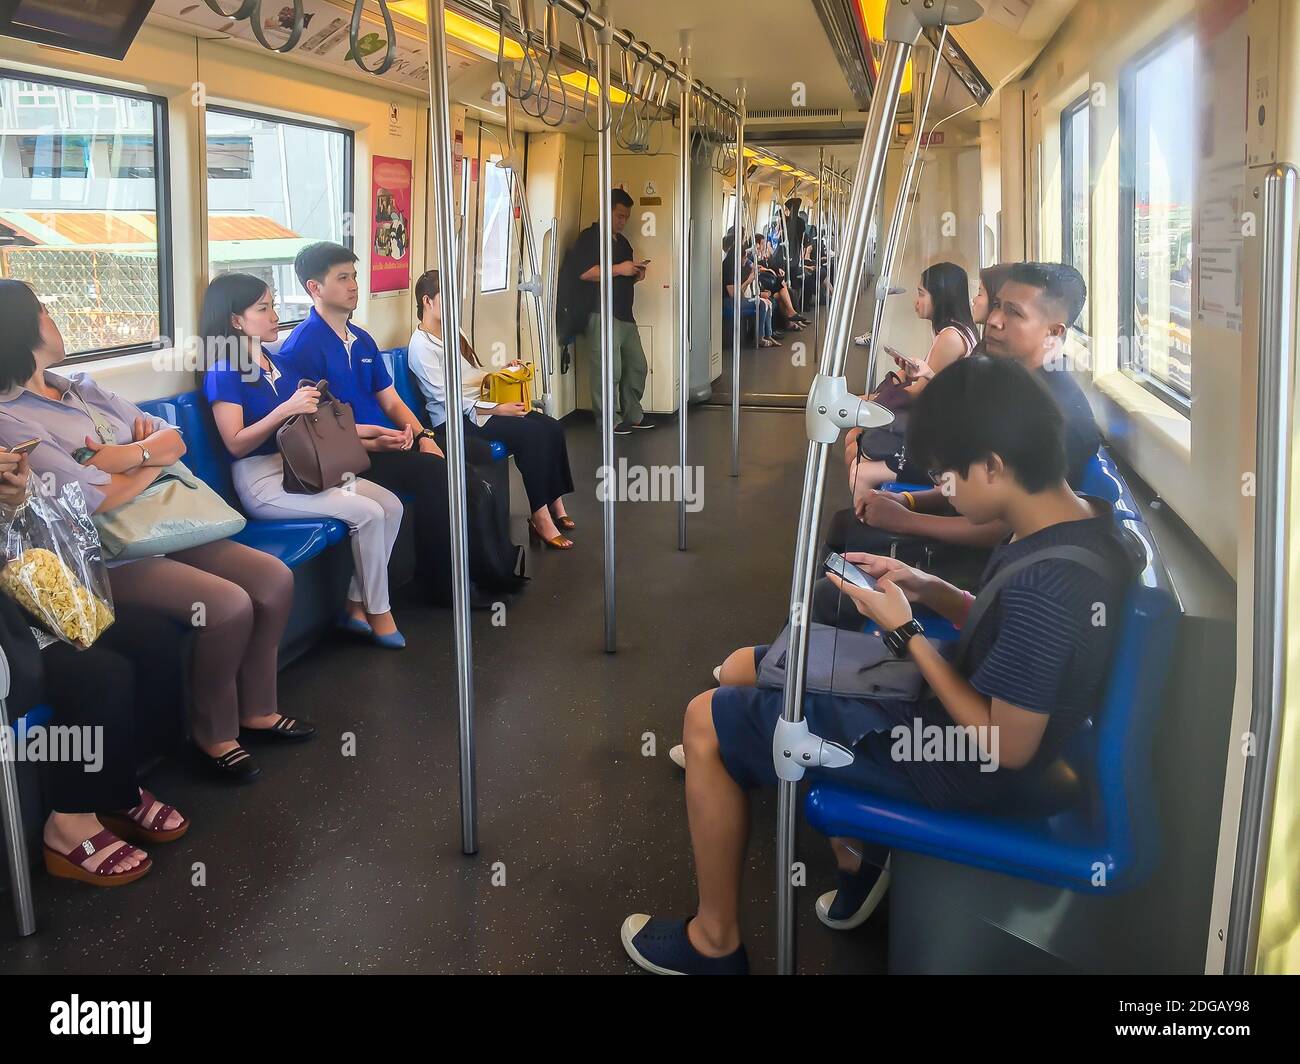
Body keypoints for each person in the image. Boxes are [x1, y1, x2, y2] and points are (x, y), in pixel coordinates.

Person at [622, 355, 1136, 974]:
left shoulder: (1051, 587)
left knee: (705, 719)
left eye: (949, 476)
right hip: (947, 705)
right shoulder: (1072, 524)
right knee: (745, 668)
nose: (943, 489)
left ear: (994, 466)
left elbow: (1008, 745)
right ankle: (857, 859)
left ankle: (714, 942)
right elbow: (1008, 635)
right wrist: (928, 587)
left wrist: (908, 632)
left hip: (952, 760)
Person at [0, 280, 308, 784]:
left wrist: (125, 460)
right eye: (43, 312)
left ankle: (259, 708)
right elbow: (91, 496)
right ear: (20, 330)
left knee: (272, 579)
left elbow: (173, 437)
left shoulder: (82, 387)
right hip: (105, 551)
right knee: (227, 605)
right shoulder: (11, 419)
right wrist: (148, 458)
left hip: (166, 520)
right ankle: (214, 733)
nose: (54, 319)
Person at [0, 455, 189, 886]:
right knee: (100, 673)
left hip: (22, 591)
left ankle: (117, 788)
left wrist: (13, 502)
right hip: (6, 632)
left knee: (154, 639)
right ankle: (68, 823)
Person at [834, 262, 1102, 559]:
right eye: (997, 305)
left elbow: (999, 528)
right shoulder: (1014, 382)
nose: (995, 320)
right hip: (972, 521)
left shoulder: (1058, 417)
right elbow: (974, 479)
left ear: (1053, 332)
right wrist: (908, 500)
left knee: (844, 541)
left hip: (995, 554)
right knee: (843, 528)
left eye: (1014, 312)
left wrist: (906, 518)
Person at [200, 272, 407, 648]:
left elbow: (317, 424)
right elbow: (235, 444)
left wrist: (373, 434)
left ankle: (356, 603)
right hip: (263, 481)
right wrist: (285, 409)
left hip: (304, 465)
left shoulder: (278, 364)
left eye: (273, 306)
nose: (275, 315)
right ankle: (379, 610)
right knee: (368, 513)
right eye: (263, 309)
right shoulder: (224, 372)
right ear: (235, 320)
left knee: (390, 505)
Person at [408, 269, 576, 550]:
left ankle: (554, 500)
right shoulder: (421, 347)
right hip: (455, 419)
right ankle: (539, 516)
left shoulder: (455, 331)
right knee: (531, 435)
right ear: (427, 301)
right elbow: (446, 398)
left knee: (551, 426)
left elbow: (472, 374)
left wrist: (502, 373)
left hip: (480, 407)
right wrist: (496, 409)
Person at [841, 262, 979, 496]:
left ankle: (868, 513)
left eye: (921, 294)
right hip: (936, 423)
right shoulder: (954, 331)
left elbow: (918, 394)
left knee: (855, 447)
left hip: (940, 441)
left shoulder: (950, 338)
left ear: (941, 296)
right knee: (855, 437)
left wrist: (865, 400)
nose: (916, 300)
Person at [572, 188, 653, 433]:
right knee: (609, 369)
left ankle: (633, 412)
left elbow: (623, 275)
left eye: (626, 217)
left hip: (625, 313)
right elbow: (585, 272)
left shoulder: (624, 242)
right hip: (601, 312)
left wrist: (636, 274)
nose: (622, 221)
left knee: (637, 365)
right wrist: (619, 269)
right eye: (619, 216)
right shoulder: (590, 237)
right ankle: (608, 419)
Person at [722, 234, 778, 349]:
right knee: (761, 303)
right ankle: (759, 337)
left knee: (765, 302)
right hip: (727, 301)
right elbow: (734, 295)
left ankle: (768, 335)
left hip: (735, 299)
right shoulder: (728, 269)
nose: (746, 260)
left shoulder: (738, 268)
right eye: (744, 258)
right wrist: (748, 281)